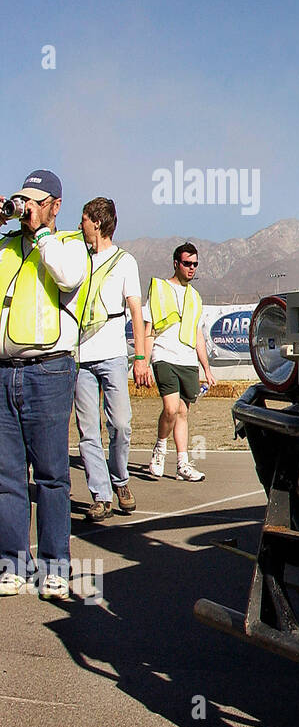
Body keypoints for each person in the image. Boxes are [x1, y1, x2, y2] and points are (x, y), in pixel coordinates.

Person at [0, 170, 88, 601]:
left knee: (52, 475)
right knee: (6, 475)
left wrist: (42, 234)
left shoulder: (70, 245)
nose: (26, 209)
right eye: (22, 202)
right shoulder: (4, 247)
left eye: (36, 202)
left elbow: (68, 277)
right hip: (3, 371)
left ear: (55, 205)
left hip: (49, 370)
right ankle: (12, 563)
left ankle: (55, 566)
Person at [74, 198, 151, 520]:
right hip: (79, 357)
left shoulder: (124, 261)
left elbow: (135, 309)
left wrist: (140, 357)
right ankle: (101, 495)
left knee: (120, 424)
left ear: (98, 222)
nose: (79, 225)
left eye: (83, 220)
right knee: (88, 431)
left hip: (112, 354)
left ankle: (120, 480)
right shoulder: (76, 257)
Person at [142, 242, 214, 482]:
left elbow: (198, 334)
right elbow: (149, 327)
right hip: (164, 356)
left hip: (187, 360)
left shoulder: (195, 297)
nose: (191, 268)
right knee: (171, 408)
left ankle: (182, 464)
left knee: (183, 412)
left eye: (195, 264)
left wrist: (206, 368)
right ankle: (160, 449)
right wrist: (142, 361)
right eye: (187, 263)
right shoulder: (160, 289)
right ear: (176, 263)